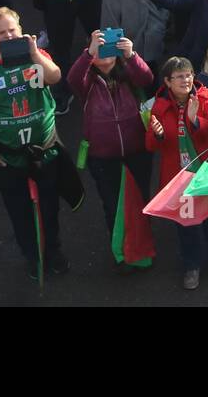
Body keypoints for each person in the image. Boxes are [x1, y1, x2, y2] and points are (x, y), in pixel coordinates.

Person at [0, 7, 75, 280]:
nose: (7, 36)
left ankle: (54, 251)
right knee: (19, 213)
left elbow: (55, 77)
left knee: (50, 207)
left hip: (45, 150)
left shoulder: (37, 58)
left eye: (12, 30)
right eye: (1, 32)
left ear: (21, 29)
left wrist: (34, 52)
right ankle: (32, 256)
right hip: (8, 158)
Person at [146, 56, 208, 289]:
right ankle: (192, 265)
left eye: (189, 74)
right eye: (179, 76)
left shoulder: (206, 97)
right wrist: (159, 135)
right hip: (179, 176)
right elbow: (151, 145)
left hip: (207, 172)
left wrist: (195, 121)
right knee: (186, 223)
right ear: (167, 81)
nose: (186, 80)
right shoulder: (159, 106)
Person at [71, 29, 153, 255]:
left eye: (109, 47)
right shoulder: (88, 80)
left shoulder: (128, 73)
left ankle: (142, 249)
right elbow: (73, 79)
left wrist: (131, 55)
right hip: (103, 156)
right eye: (99, 48)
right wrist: (88, 53)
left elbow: (147, 78)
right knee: (113, 205)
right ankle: (121, 252)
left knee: (141, 200)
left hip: (138, 151)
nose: (104, 53)